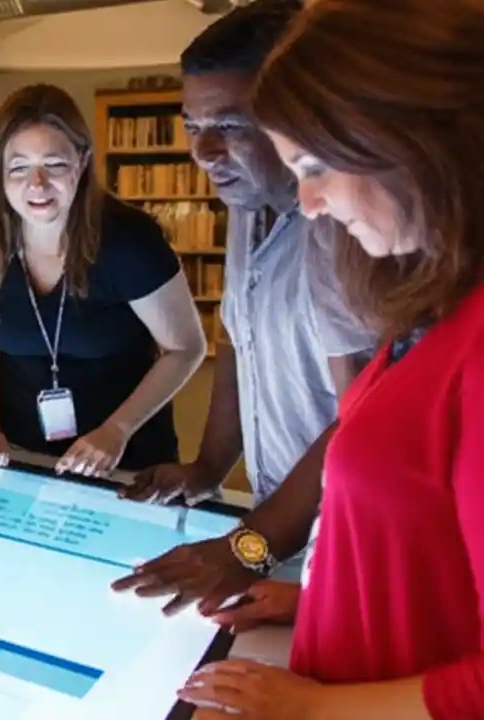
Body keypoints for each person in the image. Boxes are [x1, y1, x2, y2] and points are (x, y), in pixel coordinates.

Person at [179, 1, 484, 716]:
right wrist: (319, 597)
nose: (309, 203)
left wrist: (315, 709)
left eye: (316, 166)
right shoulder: (430, 307)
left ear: (410, 140)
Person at [110, 0, 372, 618]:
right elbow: (237, 338)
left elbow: (363, 418)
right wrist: (207, 468)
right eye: (191, 124)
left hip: (340, 539)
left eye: (229, 126)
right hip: (271, 521)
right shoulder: (246, 203)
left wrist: (249, 547)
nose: (202, 150)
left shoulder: (337, 229)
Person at [0, 83, 206, 476]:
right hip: (22, 459)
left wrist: (115, 431)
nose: (37, 184)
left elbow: (186, 348)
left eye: (54, 165)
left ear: (82, 161)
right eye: (19, 167)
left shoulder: (129, 242)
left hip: (123, 458)